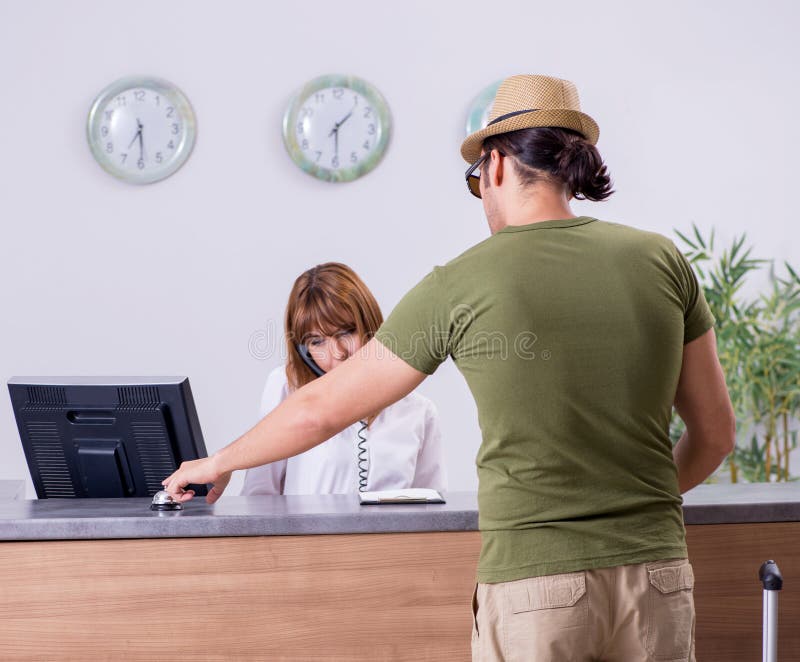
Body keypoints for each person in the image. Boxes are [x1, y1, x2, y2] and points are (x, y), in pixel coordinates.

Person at [163, 75, 736, 661]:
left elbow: (322, 406)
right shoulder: (662, 259)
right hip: (660, 578)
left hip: (536, 589)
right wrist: (633, 505)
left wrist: (217, 462)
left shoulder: (464, 281)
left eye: (475, 181)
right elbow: (716, 435)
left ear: (494, 166)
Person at [241, 262, 445, 495]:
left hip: (391, 532)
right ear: (303, 350)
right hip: (308, 532)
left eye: (347, 332)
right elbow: (257, 497)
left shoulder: (419, 412)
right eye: (317, 341)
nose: (337, 352)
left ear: (370, 325)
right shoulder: (286, 388)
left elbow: (433, 509)